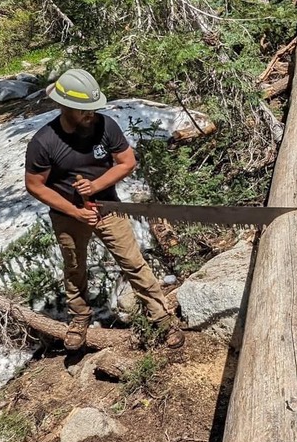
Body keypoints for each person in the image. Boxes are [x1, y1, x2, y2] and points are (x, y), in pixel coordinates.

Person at [24, 68, 183, 351]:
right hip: (68, 216)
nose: (90, 114)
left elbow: (126, 162)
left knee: (133, 263)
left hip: (108, 207)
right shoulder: (44, 142)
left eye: (92, 108)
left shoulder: (105, 126)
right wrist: (75, 212)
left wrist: (96, 186)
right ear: (65, 106)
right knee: (74, 269)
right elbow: (36, 186)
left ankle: (162, 319)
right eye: (84, 110)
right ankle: (80, 318)